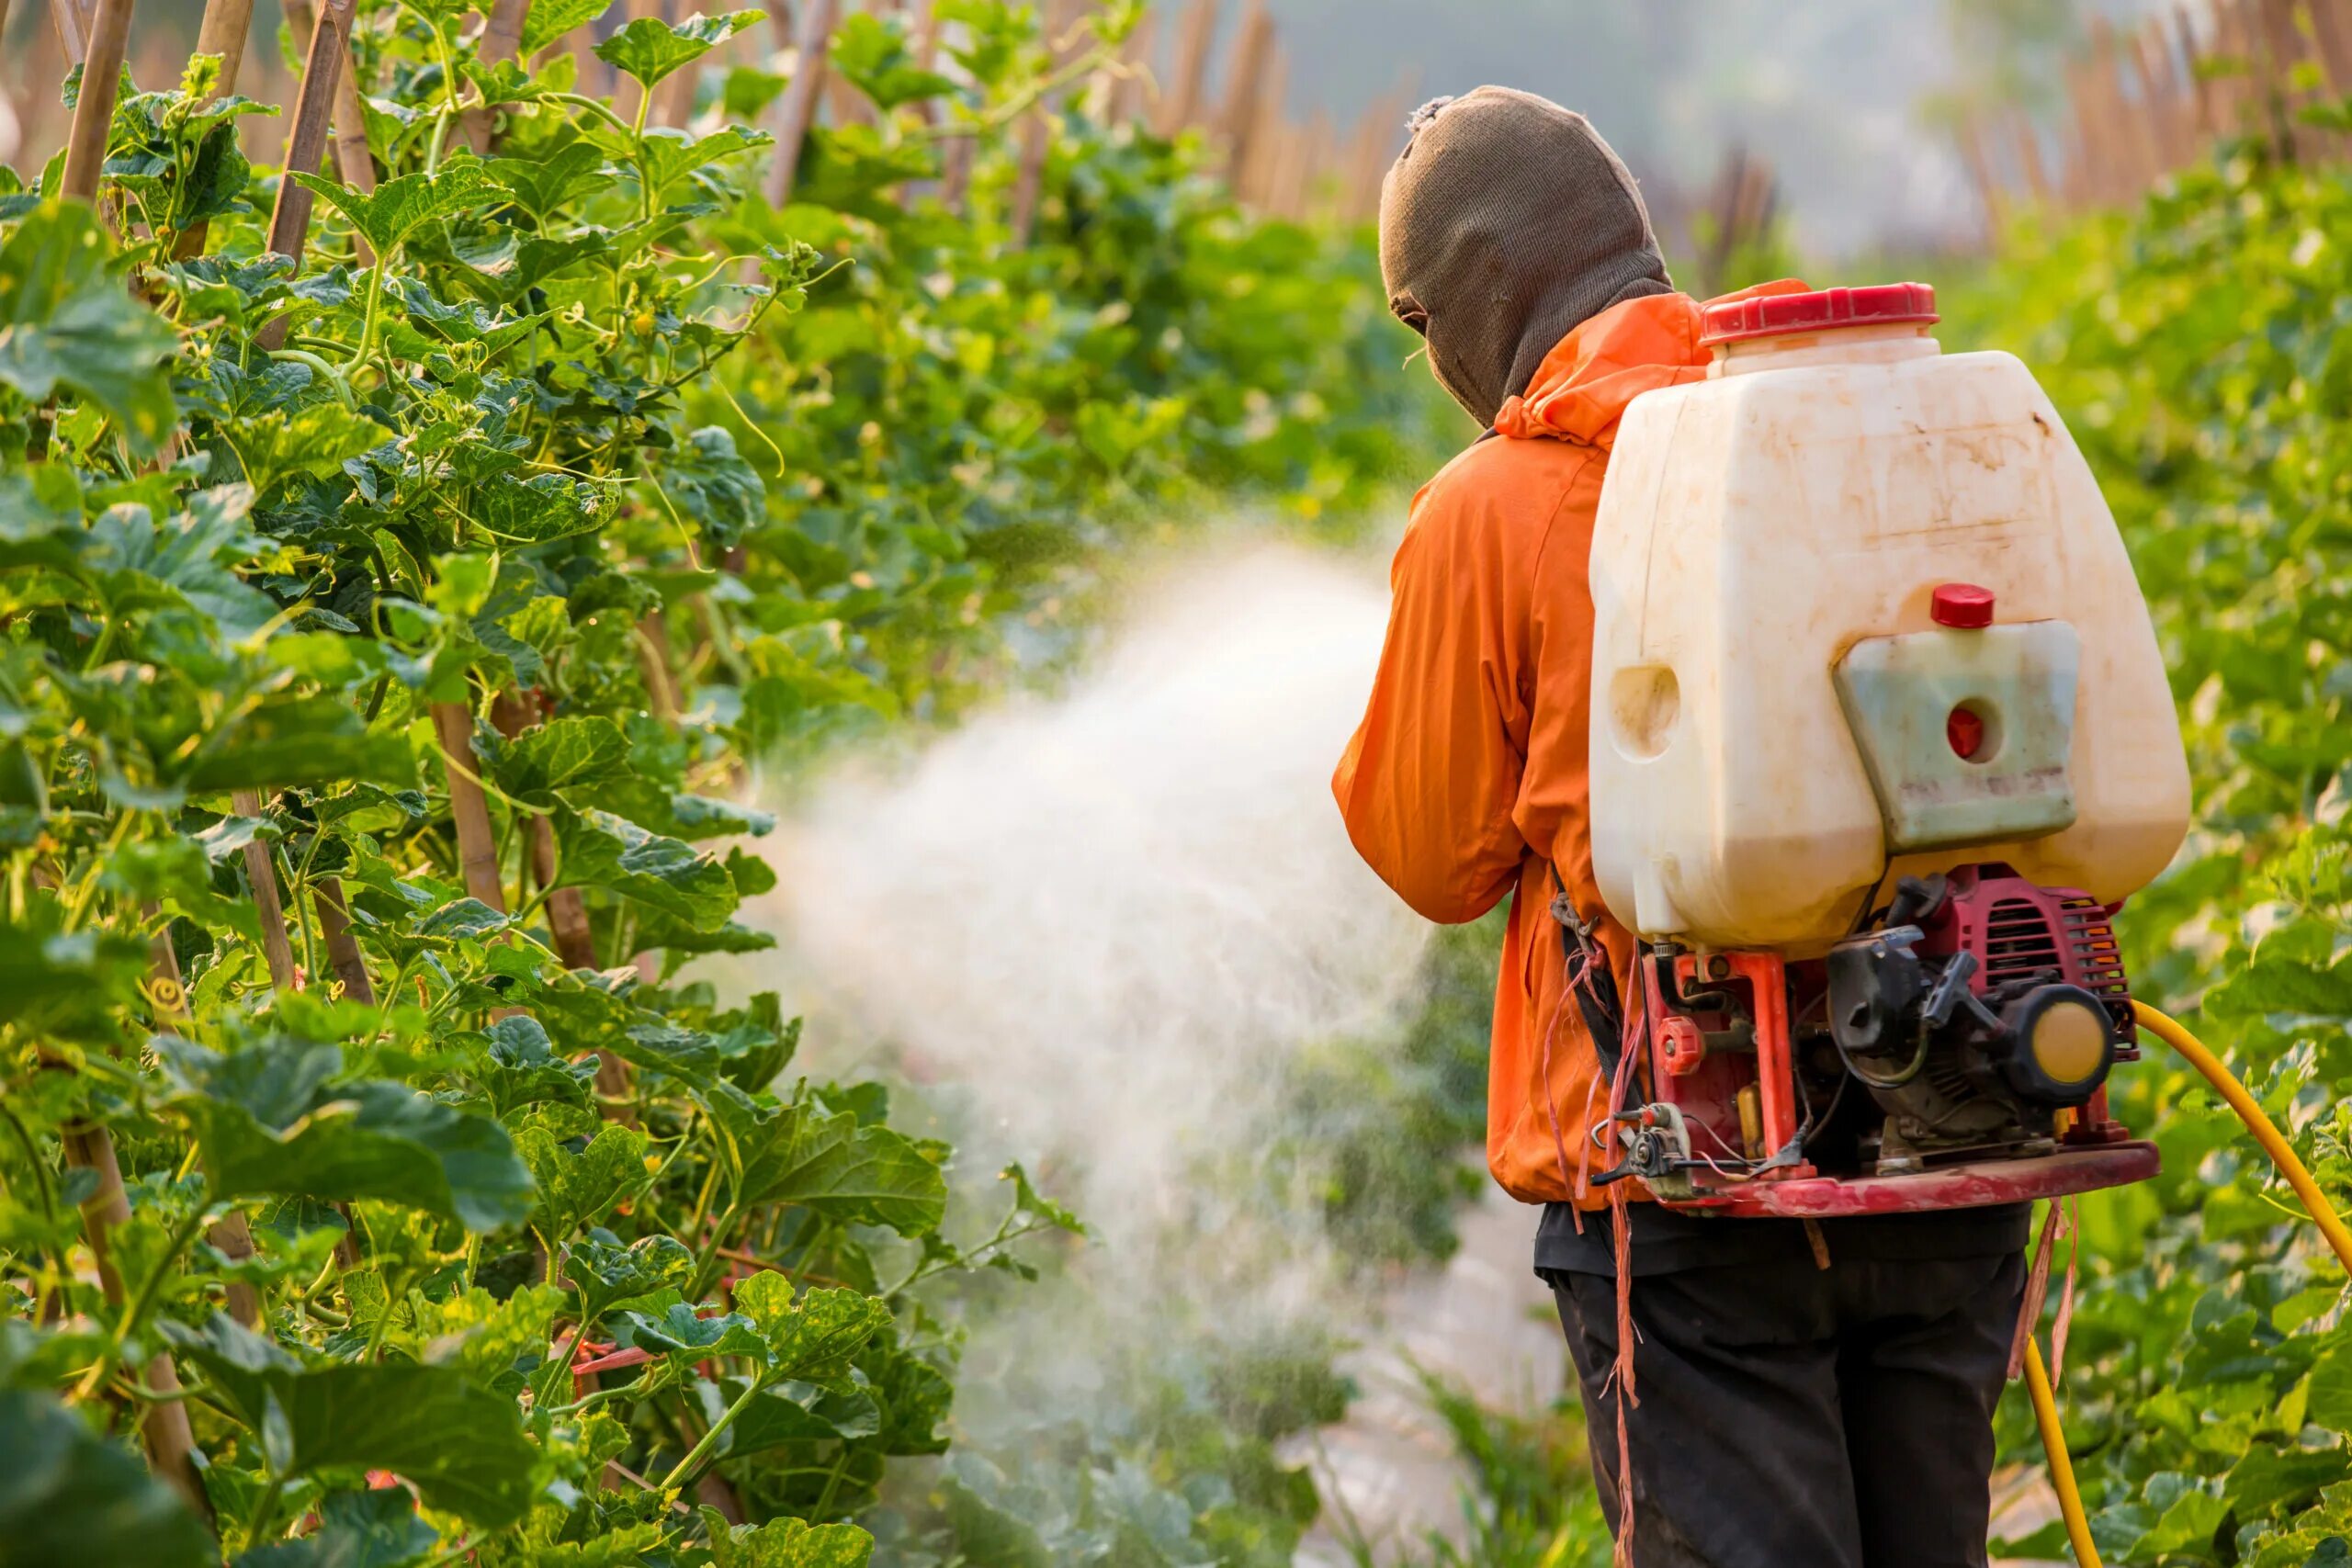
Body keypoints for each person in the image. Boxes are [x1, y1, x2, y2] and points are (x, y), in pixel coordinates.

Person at [1332, 87, 2030, 1568]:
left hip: (1690, 1187)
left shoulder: (1495, 506)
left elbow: (1433, 854)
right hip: (1946, 1121)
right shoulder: (1850, 422)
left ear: (1456, 299)